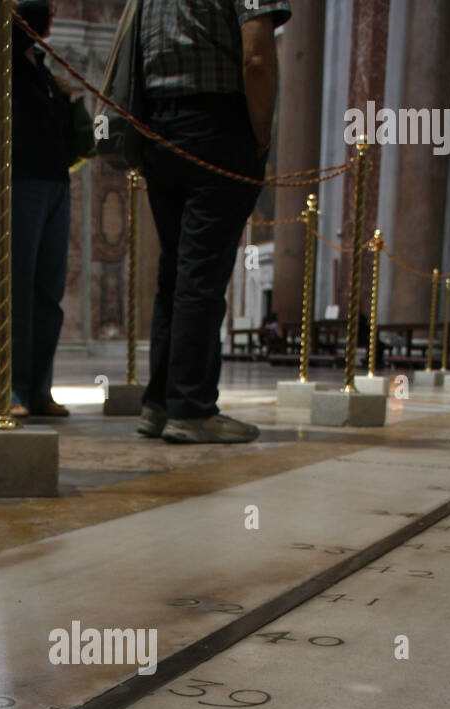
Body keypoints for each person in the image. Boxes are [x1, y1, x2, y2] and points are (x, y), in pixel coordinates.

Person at [137, 0, 291, 443]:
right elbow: (257, 59)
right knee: (201, 275)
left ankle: (160, 405)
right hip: (217, 125)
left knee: (174, 272)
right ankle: (192, 408)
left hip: (158, 128)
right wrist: (260, 136)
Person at [0, 1, 73, 417]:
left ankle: (38, 392)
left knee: (48, 296)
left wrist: (64, 97)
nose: (51, 12)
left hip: (55, 184)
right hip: (15, 180)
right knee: (14, 292)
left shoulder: (42, 66)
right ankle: (9, 392)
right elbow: (14, 29)